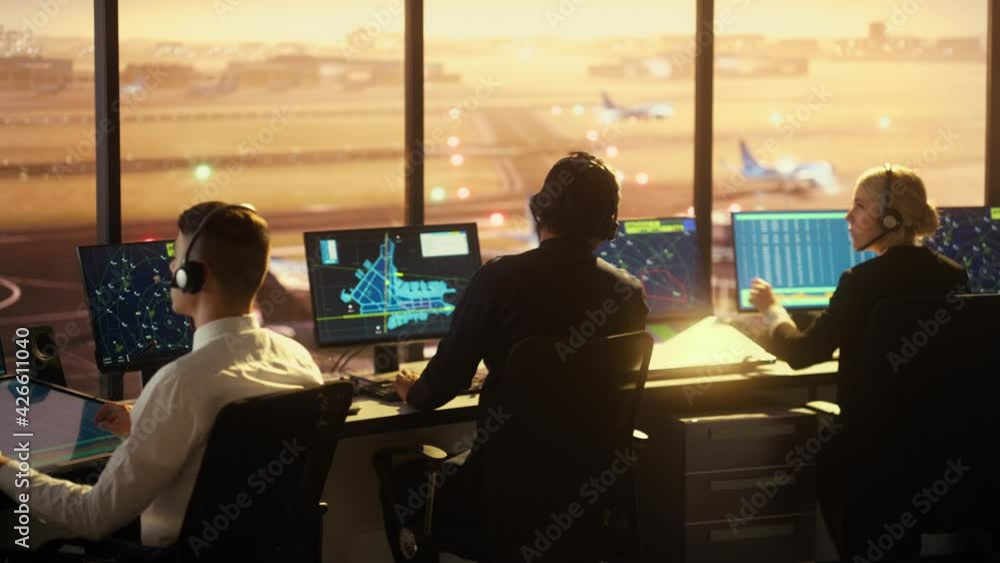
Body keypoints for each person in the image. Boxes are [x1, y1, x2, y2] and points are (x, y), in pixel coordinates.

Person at [0, 202, 323, 553]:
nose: (171, 268)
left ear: (194, 276)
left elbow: (92, 516)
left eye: (177, 259)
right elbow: (229, 452)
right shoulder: (298, 360)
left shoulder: (181, 384)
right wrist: (143, 425)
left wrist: (4, 468)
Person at [381, 151, 649, 560]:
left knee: (399, 479)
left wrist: (411, 391)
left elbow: (445, 383)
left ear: (541, 211)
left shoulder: (498, 279)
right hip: (590, 498)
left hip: (502, 499)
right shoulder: (627, 292)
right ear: (608, 225)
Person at [748, 164, 968, 560]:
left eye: (860, 206)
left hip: (870, 464)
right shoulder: (953, 277)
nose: (848, 217)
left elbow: (802, 353)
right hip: (931, 457)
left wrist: (773, 312)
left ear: (890, 219)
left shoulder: (860, 282)